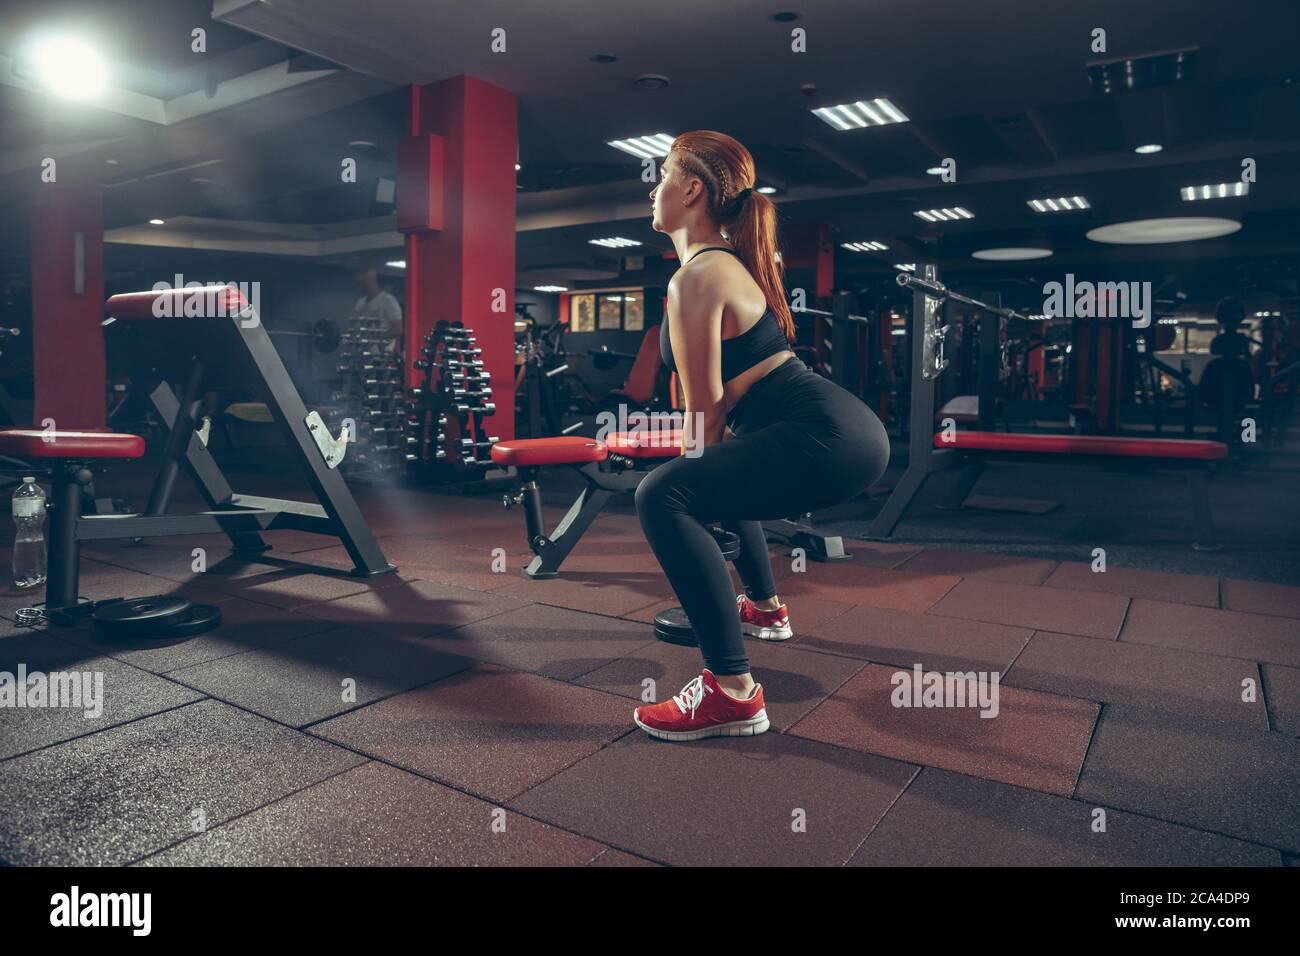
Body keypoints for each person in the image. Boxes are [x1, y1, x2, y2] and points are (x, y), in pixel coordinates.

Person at [632, 130, 890, 742]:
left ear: (691, 189)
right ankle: (765, 608)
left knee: (661, 495)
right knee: (712, 481)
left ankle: (730, 692)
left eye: (662, 176)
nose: (652, 190)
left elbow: (706, 416)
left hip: (823, 433)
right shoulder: (719, 264)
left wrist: (677, 479)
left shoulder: (697, 276)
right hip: (844, 432)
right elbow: (718, 428)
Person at [350, 266, 403, 353]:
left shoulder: (388, 300)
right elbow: (356, 328)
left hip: (382, 357)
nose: (360, 284)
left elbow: (398, 329)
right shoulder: (360, 303)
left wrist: (374, 339)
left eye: (363, 281)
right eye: (359, 283)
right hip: (362, 355)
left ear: (372, 278)